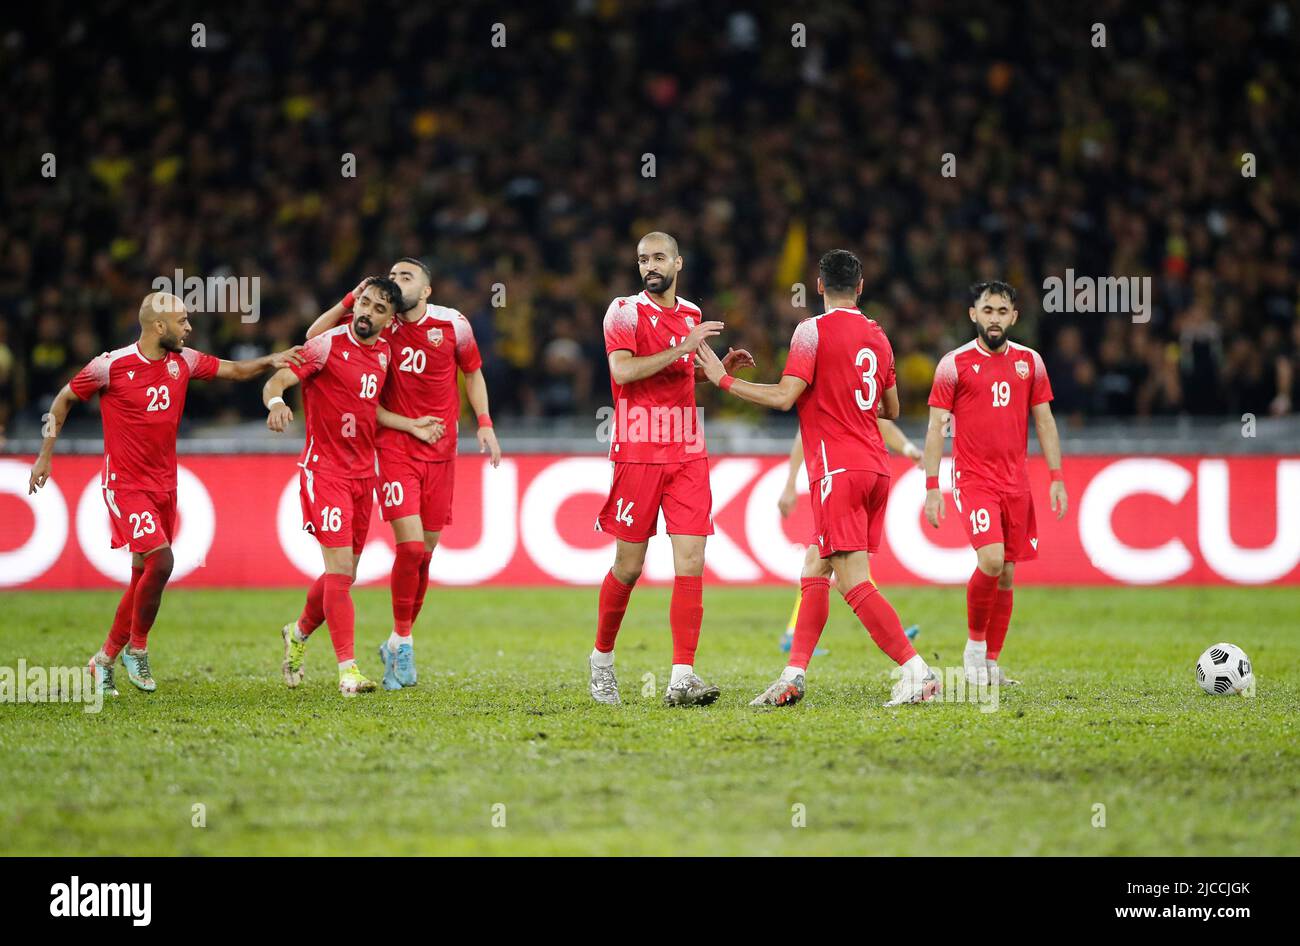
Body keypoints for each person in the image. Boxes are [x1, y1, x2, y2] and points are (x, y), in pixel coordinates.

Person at [28, 292, 303, 695]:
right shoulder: (110, 366)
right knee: (161, 561)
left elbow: (236, 371)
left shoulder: (184, 362)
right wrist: (44, 456)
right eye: (183, 320)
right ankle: (136, 649)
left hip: (164, 484)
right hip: (124, 484)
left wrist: (270, 361)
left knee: (143, 575)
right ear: (159, 326)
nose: (189, 327)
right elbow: (62, 401)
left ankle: (103, 660)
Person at [699, 249, 940, 707]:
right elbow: (891, 409)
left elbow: (786, 397)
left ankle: (918, 671)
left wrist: (723, 381)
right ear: (862, 287)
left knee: (852, 580)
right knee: (815, 565)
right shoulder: (879, 335)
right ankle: (793, 675)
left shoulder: (810, 332)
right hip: (874, 467)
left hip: (838, 469)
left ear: (819, 285)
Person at [305, 261, 501, 690]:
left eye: (406, 276)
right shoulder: (378, 327)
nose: (396, 282)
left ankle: (395, 640)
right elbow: (317, 340)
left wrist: (484, 423)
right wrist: (347, 300)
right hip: (393, 449)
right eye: (392, 275)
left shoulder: (454, 325)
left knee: (425, 554)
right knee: (410, 547)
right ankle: (405, 639)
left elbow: (473, 372)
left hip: (441, 452)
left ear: (427, 290)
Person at [587, 231, 752, 707]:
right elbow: (623, 371)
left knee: (692, 561)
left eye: (658, 257)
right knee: (629, 565)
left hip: (686, 451)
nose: (649, 266)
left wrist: (717, 369)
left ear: (678, 262)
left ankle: (682, 676)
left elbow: (680, 370)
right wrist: (684, 348)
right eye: (642, 259)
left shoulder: (692, 314)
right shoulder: (623, 311)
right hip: (637, 450)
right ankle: (600, 663)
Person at [263, 278, 440, 696]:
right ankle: (348, 671)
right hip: (325, 472)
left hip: (364, 475)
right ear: (353, 304)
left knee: (344, 574)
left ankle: (298, 633)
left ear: (389, 319)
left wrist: (410, 423)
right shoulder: (326, 344)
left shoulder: (383, 354)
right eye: (364, 303)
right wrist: (276, 403)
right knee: (341, 573)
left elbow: (370, 409)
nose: (368, 312)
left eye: (379, 308)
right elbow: (277, 380)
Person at [923, 281, 1067, 686]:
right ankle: (973, 648)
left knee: (1006, 573)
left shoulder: (1030, 363)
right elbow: (936, 427)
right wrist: (932, 486)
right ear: (973, 315)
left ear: (1014, 317)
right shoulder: (954, 364)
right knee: (989, 560)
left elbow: (1045, 421)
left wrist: (1056, 477)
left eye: (1002, 311)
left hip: (1015, 482)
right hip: (974, 480)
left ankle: (991, 662)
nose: (995, 318)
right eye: (988, 310)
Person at [776, 421, 924, 653]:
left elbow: (881, 420)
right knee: (831, 559)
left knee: (828, 560)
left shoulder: (852, 394)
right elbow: (802, 432)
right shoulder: (828, 394)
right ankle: (892, 634)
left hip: (854, 477)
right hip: (834, 478)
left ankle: (795, 638)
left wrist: (907, 449)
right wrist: (790, 483)